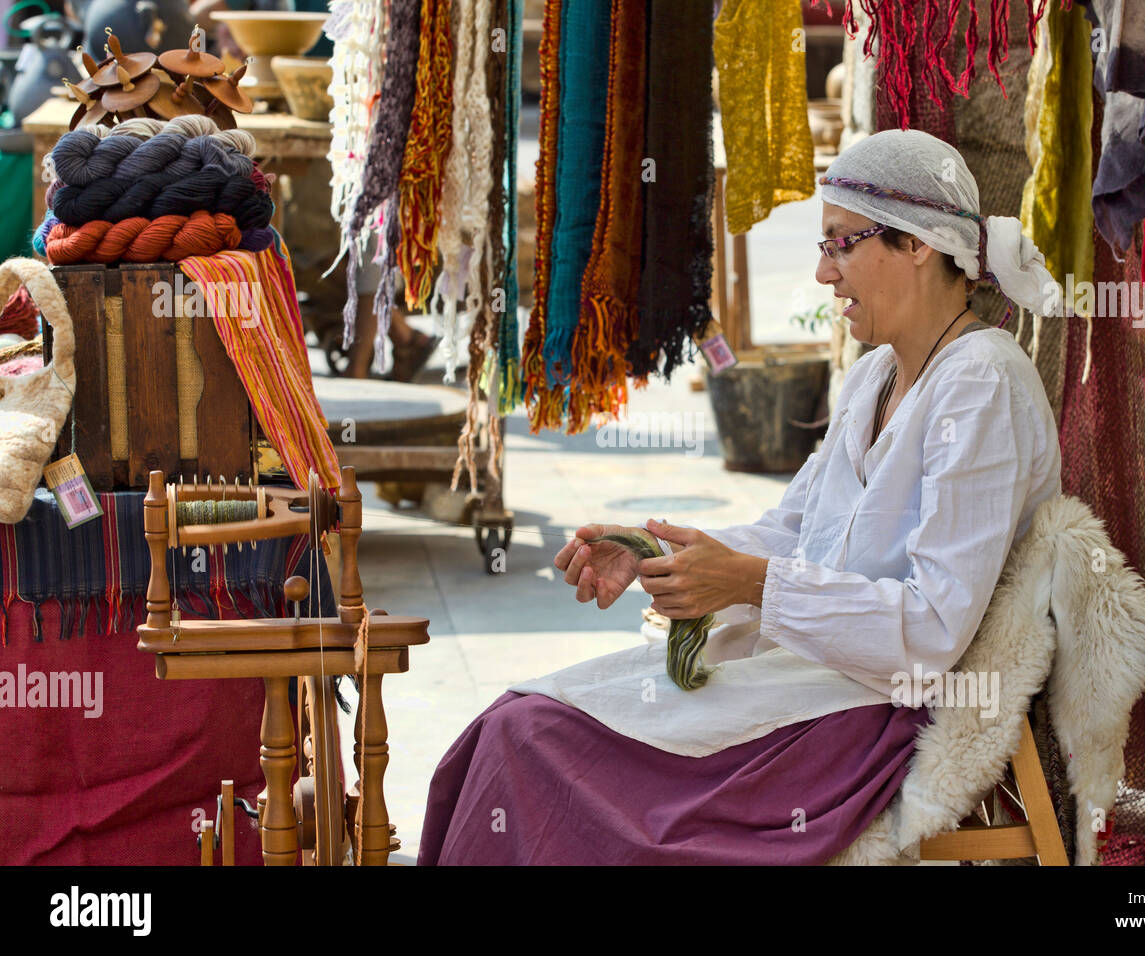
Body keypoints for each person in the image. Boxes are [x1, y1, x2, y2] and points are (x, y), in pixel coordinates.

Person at [416, 128, 1063, 865]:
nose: (823, 273)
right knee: (514, 721)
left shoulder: (982, 383)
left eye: (840, 244)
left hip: (868, 718)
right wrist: (655, 555)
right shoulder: (873, 378)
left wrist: (750, 583)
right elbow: (794, 531)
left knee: (528, 743)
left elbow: (933, 627)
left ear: (919, 243)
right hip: (814, 680)